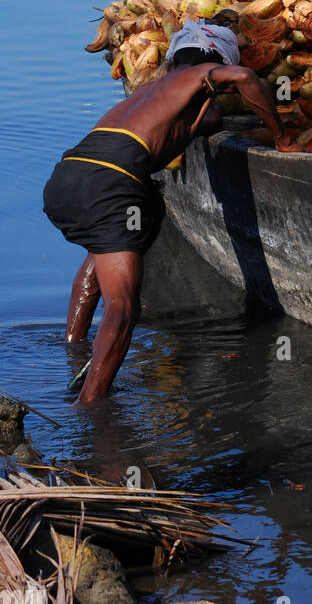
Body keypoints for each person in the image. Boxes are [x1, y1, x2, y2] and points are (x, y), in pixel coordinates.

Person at [43, 21, 295, 404]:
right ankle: (90, 407)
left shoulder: (149, 91)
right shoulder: (201, 76)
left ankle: (73, 348)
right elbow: (243, 76)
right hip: (113, 184)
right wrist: (281, 136)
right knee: (124, 306)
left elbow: (200, 121)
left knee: (101, 254)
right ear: (215, 62)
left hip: (68, 177)